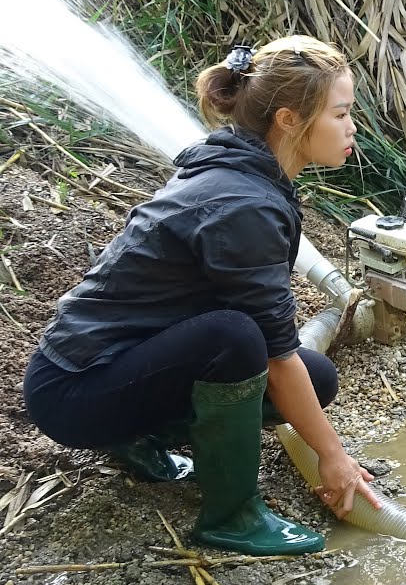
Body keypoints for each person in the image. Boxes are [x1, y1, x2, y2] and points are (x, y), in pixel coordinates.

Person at [22, 35, 381, 556]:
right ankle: (231, 515)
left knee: (316, 376)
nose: (352, 128)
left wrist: (326, 444)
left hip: (117, 371)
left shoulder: (246, 178)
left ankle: (140, 439)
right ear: (288, 120)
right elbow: (275, 357)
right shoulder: (244, 203)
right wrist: (334, 457)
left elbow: (285, 359)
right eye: (341, 114)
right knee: (235, 339)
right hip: (73, 391)